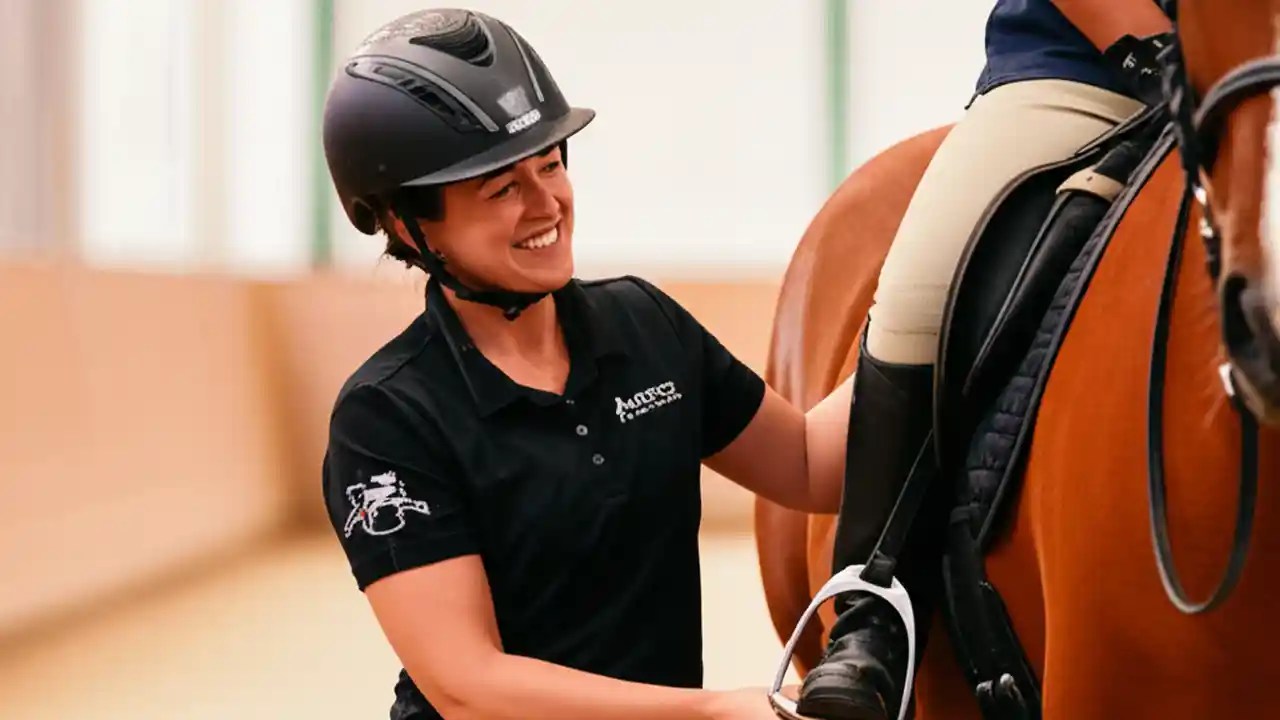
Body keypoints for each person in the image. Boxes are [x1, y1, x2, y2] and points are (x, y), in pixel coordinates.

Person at [318, 8, 854, 720]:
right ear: (406, 224)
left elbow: (810, 466)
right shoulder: (386, 417)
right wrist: (710, 711)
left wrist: (928, 323)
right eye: (502, 188)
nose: (548, 205)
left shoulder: (645, 325)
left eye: (550, 165)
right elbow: (467, 688)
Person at [793, 1, 1175, 719]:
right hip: (1093, 72)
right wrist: (1154, 50)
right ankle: (876, 611)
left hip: (1260, 84)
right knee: (923, 291)